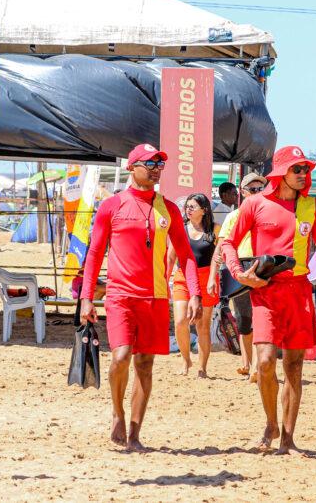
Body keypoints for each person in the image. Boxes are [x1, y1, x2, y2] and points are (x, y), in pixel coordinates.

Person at [221, 145, 316, 455]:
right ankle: (270, 424)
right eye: (297, 169)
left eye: (306, 169)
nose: (304, 175)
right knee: (264, 363)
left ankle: (288, 439)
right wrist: (240, 274)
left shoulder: (314, 207)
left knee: (294, 366)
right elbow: (228, 243)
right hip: (264, 290)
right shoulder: (255, 203)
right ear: (281, 173)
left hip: (299, 291)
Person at [80, 143, 201, 451]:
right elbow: (94, 253)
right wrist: (86, 297)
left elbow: (186, 255)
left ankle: (135, 433)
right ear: (132, 167)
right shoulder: (112, 205)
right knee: (121, 357)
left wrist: (195, 293)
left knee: (145, 365)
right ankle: (117, 412)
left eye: (160, 163)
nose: (157, 168)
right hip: (120, 295)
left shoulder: (169, 208)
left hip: (156, 297)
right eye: (150, 163)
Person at [209, 172, 267, 381]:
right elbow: (221, 246)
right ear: (242, 192)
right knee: (244, 320)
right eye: (252, 189)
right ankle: (247, 363)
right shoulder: (233, 217)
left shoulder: (270, 213)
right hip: (240, 269)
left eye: (260, 189)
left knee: (263, 319)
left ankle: (257, 367)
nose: (257, 193)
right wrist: (212, 277)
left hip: (263, 268)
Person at [167, 193, 219, 378]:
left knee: (202, 326)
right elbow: (172, 256)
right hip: (182, 278)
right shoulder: (180, 228)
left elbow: (218, 257)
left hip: (206, 279)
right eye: (187, 206)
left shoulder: (215, 230)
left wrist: (213, 277)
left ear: (204, 210)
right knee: (180, 321)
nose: (188, 209)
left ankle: (202, 367)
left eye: (192, 207)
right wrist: (166, 279)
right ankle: (185, 359)